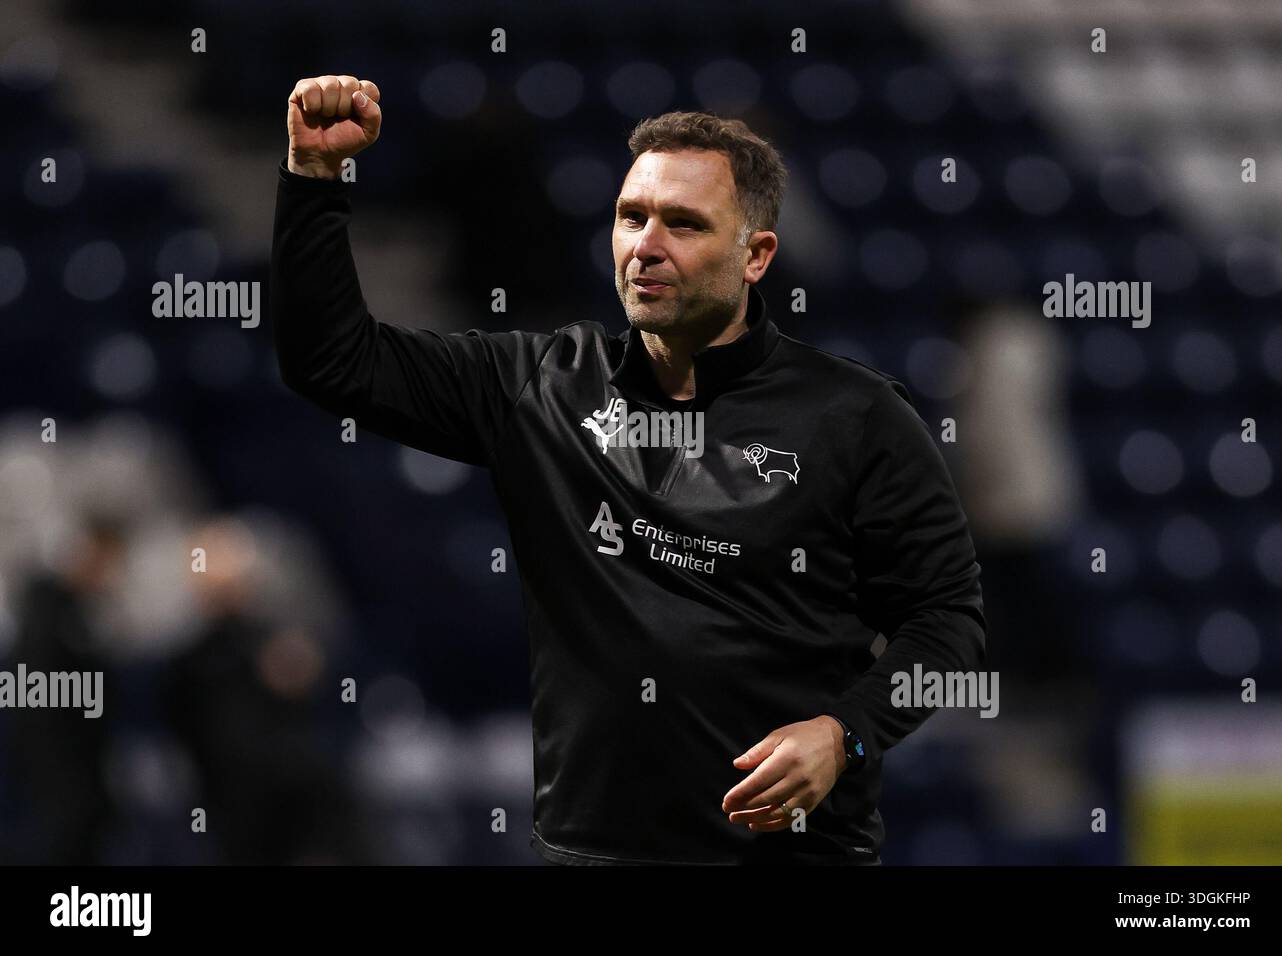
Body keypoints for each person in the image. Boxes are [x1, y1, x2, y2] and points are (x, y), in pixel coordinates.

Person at [271, 75, 987, 865]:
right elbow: (332, 361)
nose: (646, 246)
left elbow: (948, 623)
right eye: (630, 217)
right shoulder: (541, 384)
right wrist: (315, 179)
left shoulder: (856, 416)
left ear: (756, 255)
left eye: (683, 223)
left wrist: (844, 734)